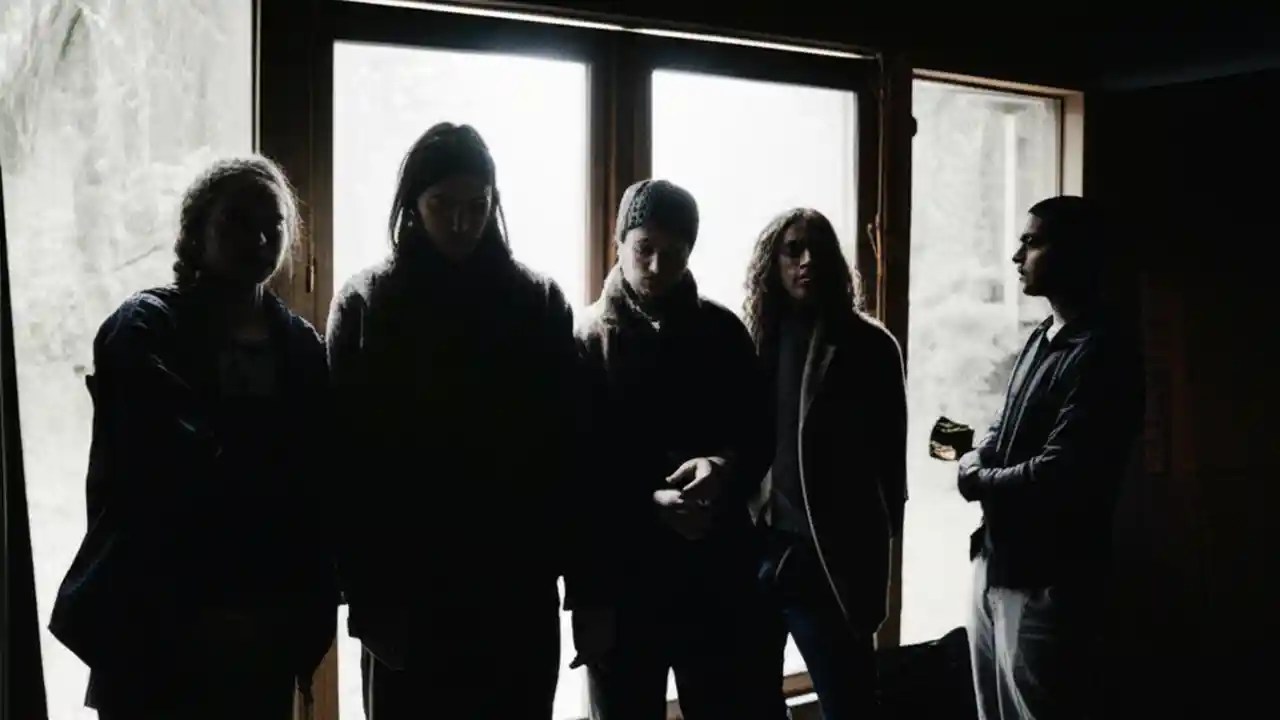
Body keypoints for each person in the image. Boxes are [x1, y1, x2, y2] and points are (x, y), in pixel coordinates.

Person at [50, 156, 338, 720]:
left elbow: (318, 480)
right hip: (158, 623)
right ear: (197, 232)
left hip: (261, 630)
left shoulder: (301, 347)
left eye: (272, 224)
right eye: (236, 221)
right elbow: (166, 466)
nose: (257, 236)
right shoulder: (143, 327)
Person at [326, 123, 577, 719]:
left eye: (477, 206)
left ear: (494, 204)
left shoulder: (538, 301)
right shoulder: (370, 301)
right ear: (412, 206)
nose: (462, 223)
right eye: (444, 206)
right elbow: (342, 460)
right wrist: (365, 599)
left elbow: (571, 447)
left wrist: (583, 589)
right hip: (407, 589)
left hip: (515, 588)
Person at [572, 179, 775, 720]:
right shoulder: (586, 339)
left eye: (674, 252)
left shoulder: (724, 332)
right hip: (623, 582)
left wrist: (724, 467)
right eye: (645, 249)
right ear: (620, 242)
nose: (657, 266)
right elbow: (572, 471)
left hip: (715, 577)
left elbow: (761, 432)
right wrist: (646, 504)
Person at [958, 196, 1144, 719]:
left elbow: (1061, 472)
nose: (1018, 256)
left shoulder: (1104, 351)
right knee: (993, 709)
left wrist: (981, 479)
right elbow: (1005, 417)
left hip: (1050, 579)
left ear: (1077, 254)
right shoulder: (1043, 335)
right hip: (998, 560)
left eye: (1033, 241)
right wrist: (979, 455)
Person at [744, 208, 907, 719]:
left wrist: (871, 572)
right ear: (772, 262)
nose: (806, 261)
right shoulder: (752, 339)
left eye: (818, 249)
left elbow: (891, 472)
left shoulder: (870, 347)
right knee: (750, 701)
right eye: (792, 250)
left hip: (826, 562)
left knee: (849, 702)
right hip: (756, 551)